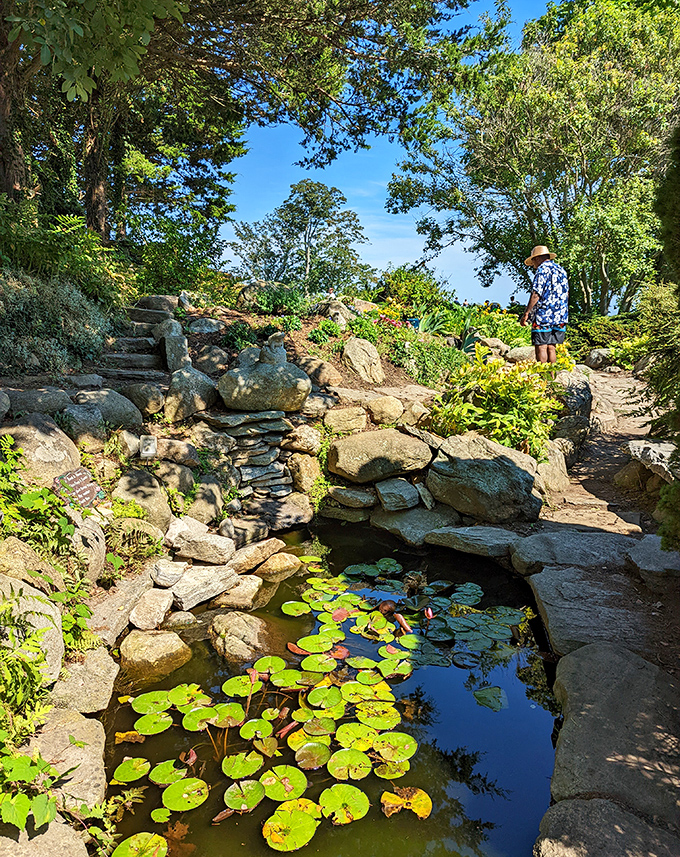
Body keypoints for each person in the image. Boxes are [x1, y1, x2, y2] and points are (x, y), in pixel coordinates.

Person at [519, 245, 569, 364]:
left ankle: (544, 378)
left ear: (537, 258)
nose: (534, 265)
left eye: (533, 261)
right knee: (552, 347)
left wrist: (526, 313)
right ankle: (552, 377)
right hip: (560, 315)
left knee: (541, 346)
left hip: (544, 315)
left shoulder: (542, 270)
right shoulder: (561, 270)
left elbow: (536, 294)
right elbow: (566, 292)